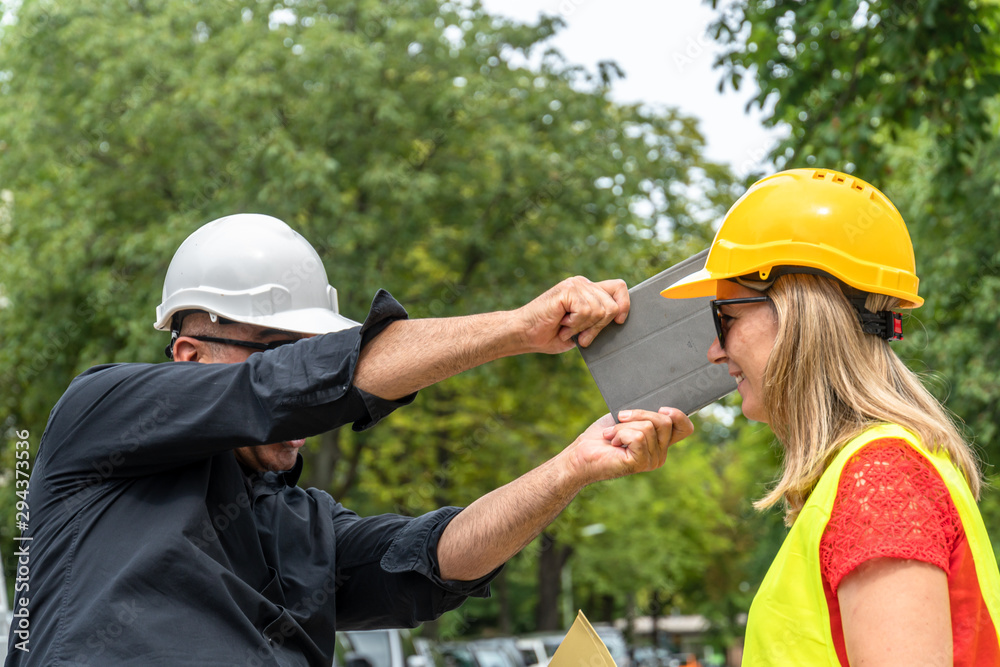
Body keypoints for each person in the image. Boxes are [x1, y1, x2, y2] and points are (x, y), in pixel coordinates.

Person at [9, 214, 692, 666]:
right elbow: (282, 390)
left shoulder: (304, 524)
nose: (299, 376)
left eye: (318, 348)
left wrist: (572, 466)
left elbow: (433, 557)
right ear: (189, 355)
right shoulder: (103, 417)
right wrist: (518, 327)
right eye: (277, 350)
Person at [660, 168, 1000, 666]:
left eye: (725, 317)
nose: (715, 350)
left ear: (799, 313)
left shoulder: (880, 479)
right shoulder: (872, 472)